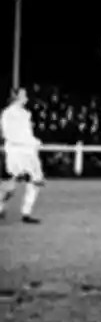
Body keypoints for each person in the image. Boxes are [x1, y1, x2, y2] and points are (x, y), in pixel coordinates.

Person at [0, 88, 44, 223]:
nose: (26, 97)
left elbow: (27, 133)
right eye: (24, 95)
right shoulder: (8, 113)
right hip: (16, 151)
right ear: (16, 97)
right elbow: (8, 134)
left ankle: (26, 213)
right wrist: (29, 141)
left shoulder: (26, 114)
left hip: (28, 152)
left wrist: (33, 142)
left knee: (36, 181)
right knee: (11, 185)